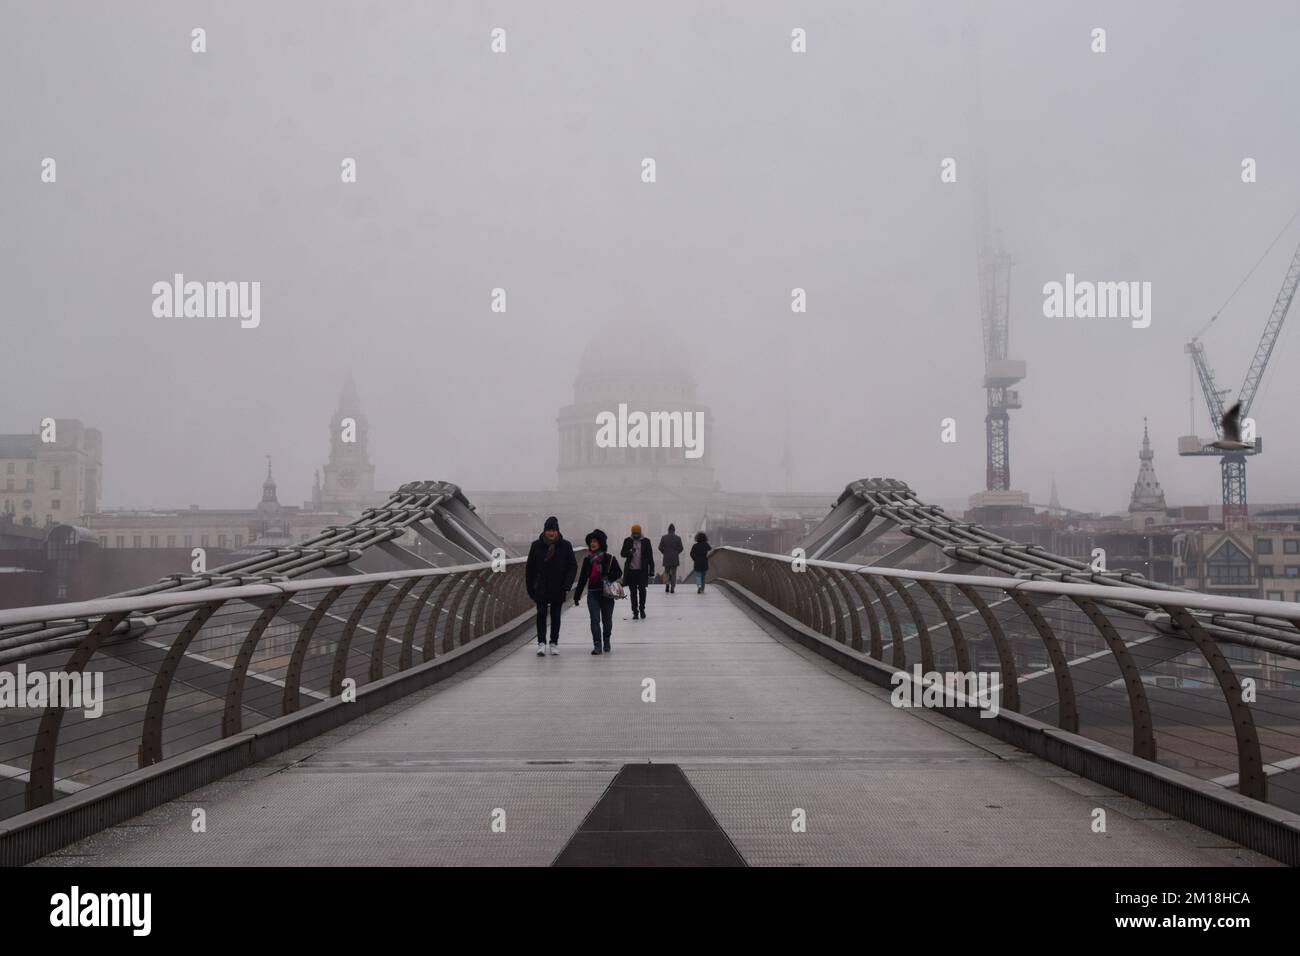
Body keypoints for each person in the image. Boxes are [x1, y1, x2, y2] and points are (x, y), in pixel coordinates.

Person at [525, 516, 577, 656]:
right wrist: (531, 587)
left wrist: (567, 585)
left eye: (553, 530)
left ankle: (554, 642)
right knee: (541, 613)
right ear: (544, 531)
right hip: (541, 586)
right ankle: (541, 643)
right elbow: (530, 568)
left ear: (557, 531)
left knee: (556, 615)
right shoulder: (536, 545)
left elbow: (572, 566)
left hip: (558, 586)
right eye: (549, 530)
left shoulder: (565, 545)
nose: (551, 533)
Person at [573, 528, 622, 655]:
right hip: (593, 593)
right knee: (594, 620)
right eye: (591, 541)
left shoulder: (610, 558)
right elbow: (583, 579)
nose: (592, 544)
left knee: (607, 622)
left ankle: (606, 639)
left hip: (607, 594)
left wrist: (608, 577)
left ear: (601, 543)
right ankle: (597, 645)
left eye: (595, 541)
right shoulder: (587, 560)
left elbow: (619, 572)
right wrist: (577, 596)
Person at [620, 523, 655, 619]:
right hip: (631, 571)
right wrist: (629, 552)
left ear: (640, 533)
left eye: (637, 533)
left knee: (642, 590)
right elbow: (622, 553)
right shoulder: (627, 541)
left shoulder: (646, 541)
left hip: (642, 571)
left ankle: (642, 608)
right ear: (632, 533)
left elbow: (650, 556)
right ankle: (635, 611)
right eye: (634, 533)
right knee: (633, 592)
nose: (635, 535)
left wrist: (652, 570)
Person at [658, 523, 684, 593]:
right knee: (673, 573)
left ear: (668, 530)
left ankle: (667, 585)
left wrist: (664, 552)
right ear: (674, 530)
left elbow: (660, 547)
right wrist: (676, 552)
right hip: (674, 558)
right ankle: (672, 587)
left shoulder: (664, 537)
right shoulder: (678, 538)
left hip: (666, 558)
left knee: (666, 572)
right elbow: (681, 548)